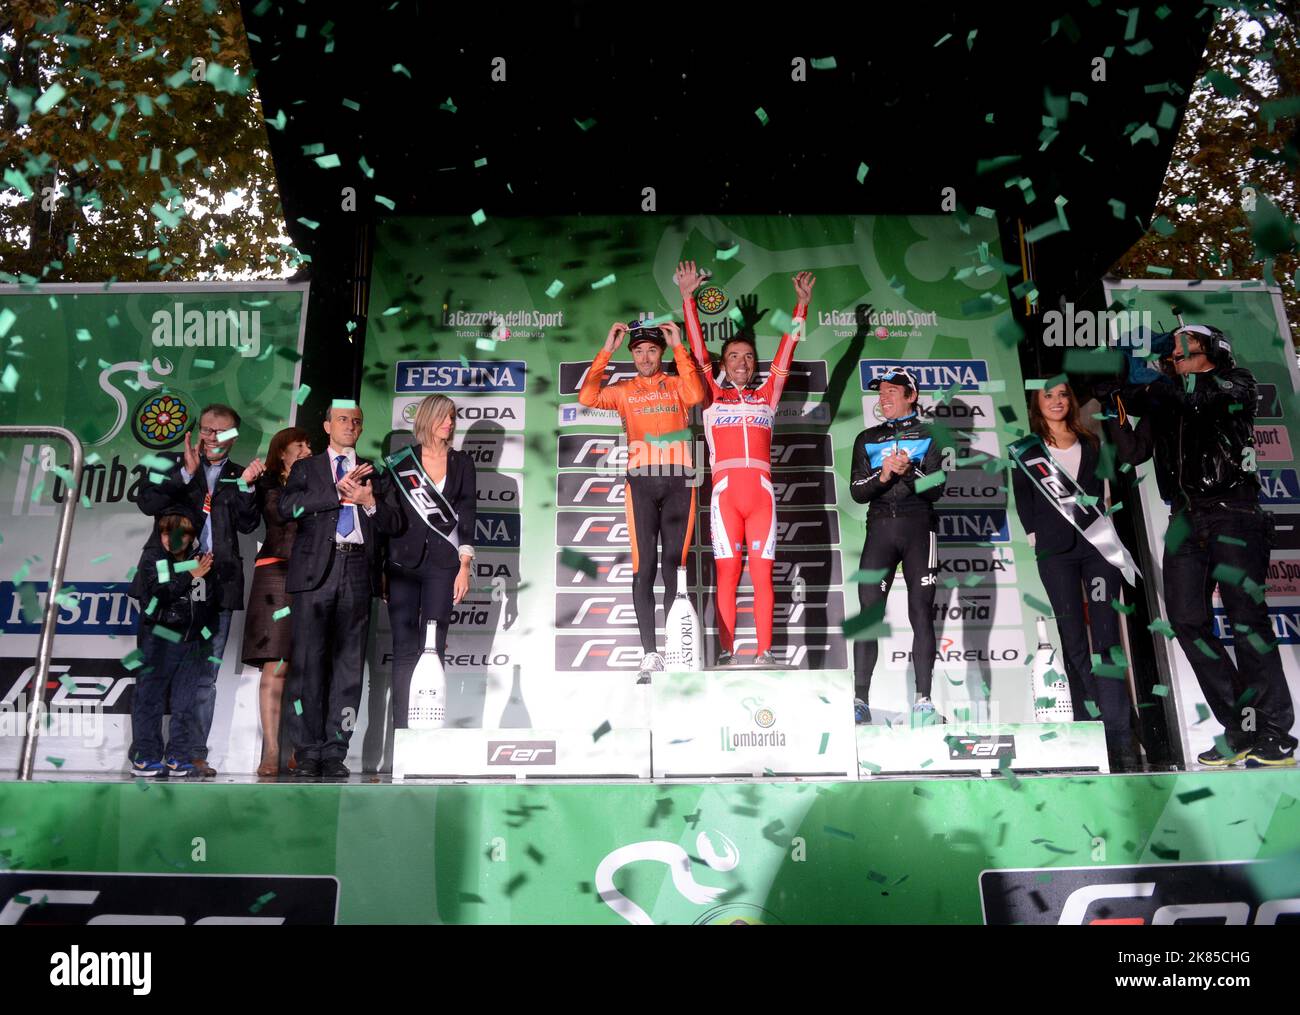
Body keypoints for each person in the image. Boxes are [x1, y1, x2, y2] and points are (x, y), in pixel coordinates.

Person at [1103, 324, 1296, 767]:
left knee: (1247, 622)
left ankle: (1275, 732)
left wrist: (1147, 384)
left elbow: (1199, 398)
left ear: (1213, 349)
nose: (1174, 351)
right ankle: (1240, 725)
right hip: (1185, 518)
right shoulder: (1166, 396)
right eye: (1171, 347)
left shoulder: (1236, 382)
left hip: (1235, 513)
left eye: (1183, 345)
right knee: (1187, 620)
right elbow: (1133, 452)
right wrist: (1113, 404)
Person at [677, 261, 814, 666]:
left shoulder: (767, 395)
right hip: (724, 497)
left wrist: (801, 307)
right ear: (723, 363)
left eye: (748, 357)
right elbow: (699, 350)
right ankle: (726, 650)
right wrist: (688, 299)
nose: (741, 362)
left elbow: (788, 350)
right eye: (734, 356)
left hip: (762, 497)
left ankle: (765, 652)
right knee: (727, 575)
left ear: (755, 364)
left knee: (762, 574)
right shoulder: (711, 395)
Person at [1012, 382, 1140, 771]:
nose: (1056, 401)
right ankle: (1090, 727)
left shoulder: (1092, 442)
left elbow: (1103, 494)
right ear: (1037, 403)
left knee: (1106, 640)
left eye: (1063, 395)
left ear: (1070, 401)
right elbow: (1024, 503)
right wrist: (1039, 538)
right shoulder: (1026, 451)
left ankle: (1120, 736)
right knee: (1072, 640)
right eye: (1047, 396)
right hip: (1056, 554)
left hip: (1097, 550)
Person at [136, 403, 264, 777]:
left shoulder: (239, 474)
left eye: (221, 432)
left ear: (233, 437)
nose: (212, 438)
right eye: (207, 430)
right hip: (167, 582)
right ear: (198, 430)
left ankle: (190, 753)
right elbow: (147, 503)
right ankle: (145, 754)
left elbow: (247, 522)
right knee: (154, 673)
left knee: (202, 678)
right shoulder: (169, 461)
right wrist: (184, 473)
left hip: (215, 588)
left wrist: (248, 487)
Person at [279, 403, 402, 779]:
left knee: (349, 667)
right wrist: (335, 492)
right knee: (307, 665)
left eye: (358, 421)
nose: (351, 426)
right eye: (344, 420)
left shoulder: (375, 473)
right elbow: (288, 508)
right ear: (327, 424)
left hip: (358, 569)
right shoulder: (307, 467)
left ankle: (335, 749)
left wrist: (369, 501)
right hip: (317, 569)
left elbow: (393, 523)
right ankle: (307, 748)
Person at [578, 316, 705, 675]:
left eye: (652, 350)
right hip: (641, 483)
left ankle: (675, 650)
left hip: (680, 480)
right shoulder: (623, 390)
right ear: (632, 355)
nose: (646, 357)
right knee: (644, 567)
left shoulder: (679, 384)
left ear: (661, 352)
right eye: (639, 352)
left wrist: (679, 345)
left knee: (674, 569)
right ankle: (651, 653)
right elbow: (587, 396)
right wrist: (607, 349)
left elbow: (697, 395)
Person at [849, 368, 945, 723]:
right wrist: (885, 475)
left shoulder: (932, 435)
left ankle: (923, 700)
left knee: (921, 612)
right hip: (880, 530)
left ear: (911, 396)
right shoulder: (866, 438)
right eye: (881, 392)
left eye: (892, 391)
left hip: (920, 527)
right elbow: (857, 492)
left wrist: (909, 472)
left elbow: (937, 489)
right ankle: (860, 701)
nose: (884, 398)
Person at [384, 394, 476, 729]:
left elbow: (467, 515)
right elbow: (390, 517)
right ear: (427, 419)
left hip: (443, 565)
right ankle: (401, 732)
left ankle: (428, 732)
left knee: (433, 645)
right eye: (443, 417)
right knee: (404, 648)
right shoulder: (400, 463)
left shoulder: (462, 462)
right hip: (402, 565)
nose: (449, 424)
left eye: (452, 418)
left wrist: (464, 566)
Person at [240, 426, 311, 776]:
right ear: (281, 452)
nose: (306, 449)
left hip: (313, 575)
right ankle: (271, 751)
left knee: (306, 666)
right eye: (299, 445)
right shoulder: (268, 483)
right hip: (275, 573)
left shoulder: (321, 480)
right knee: (276, 664)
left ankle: (300, 749)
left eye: (309, 445)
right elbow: (279, 514)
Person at [127, 510, 218, 777]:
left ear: (190, 538)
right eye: (166, 533)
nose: (170, 539)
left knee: (185, 704)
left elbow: (210, 600)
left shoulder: (203, 561)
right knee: (149, 699)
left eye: (178, 534)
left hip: (191, 642)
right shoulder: (152, 558)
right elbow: (161, 592)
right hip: (159, 638)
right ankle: (145, 756)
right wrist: (190, 574)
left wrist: (204, 633)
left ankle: (178, 756)